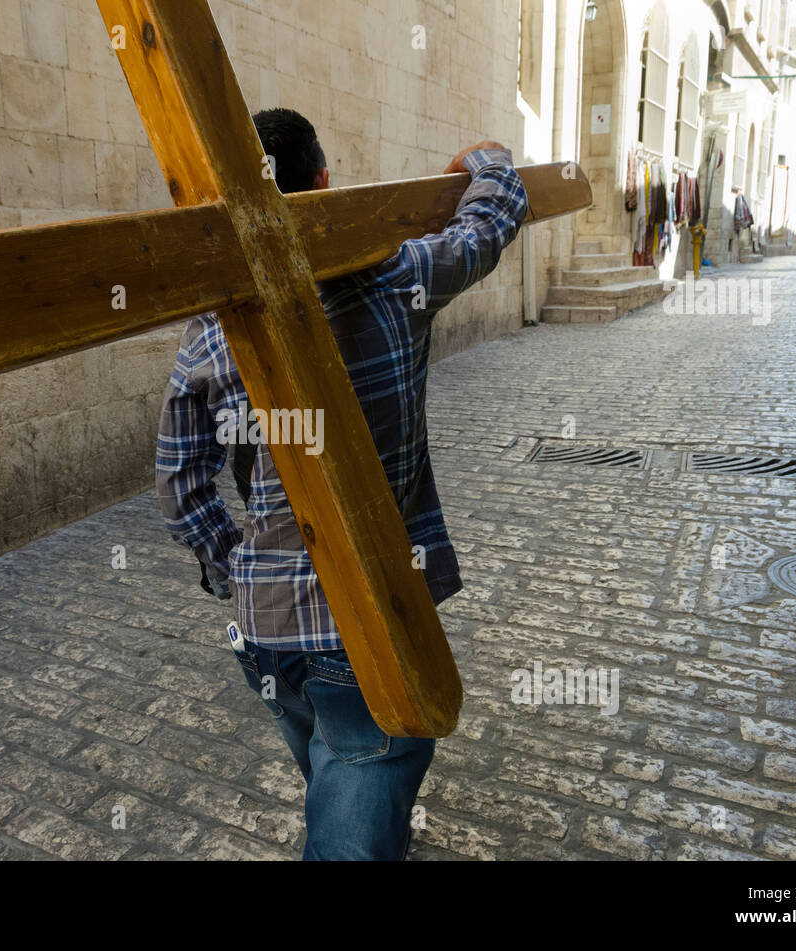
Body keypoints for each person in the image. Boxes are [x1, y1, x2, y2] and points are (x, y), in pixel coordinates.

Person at [155, 108, 527, 861]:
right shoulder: (397, 277)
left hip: (266, 636)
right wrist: (487, 160)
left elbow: (180, 480)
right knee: (354, 800)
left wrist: (238, 569)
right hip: (367, 628)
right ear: (325, 184)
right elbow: (492, 221)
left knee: (335, 766)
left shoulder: (212, 325)